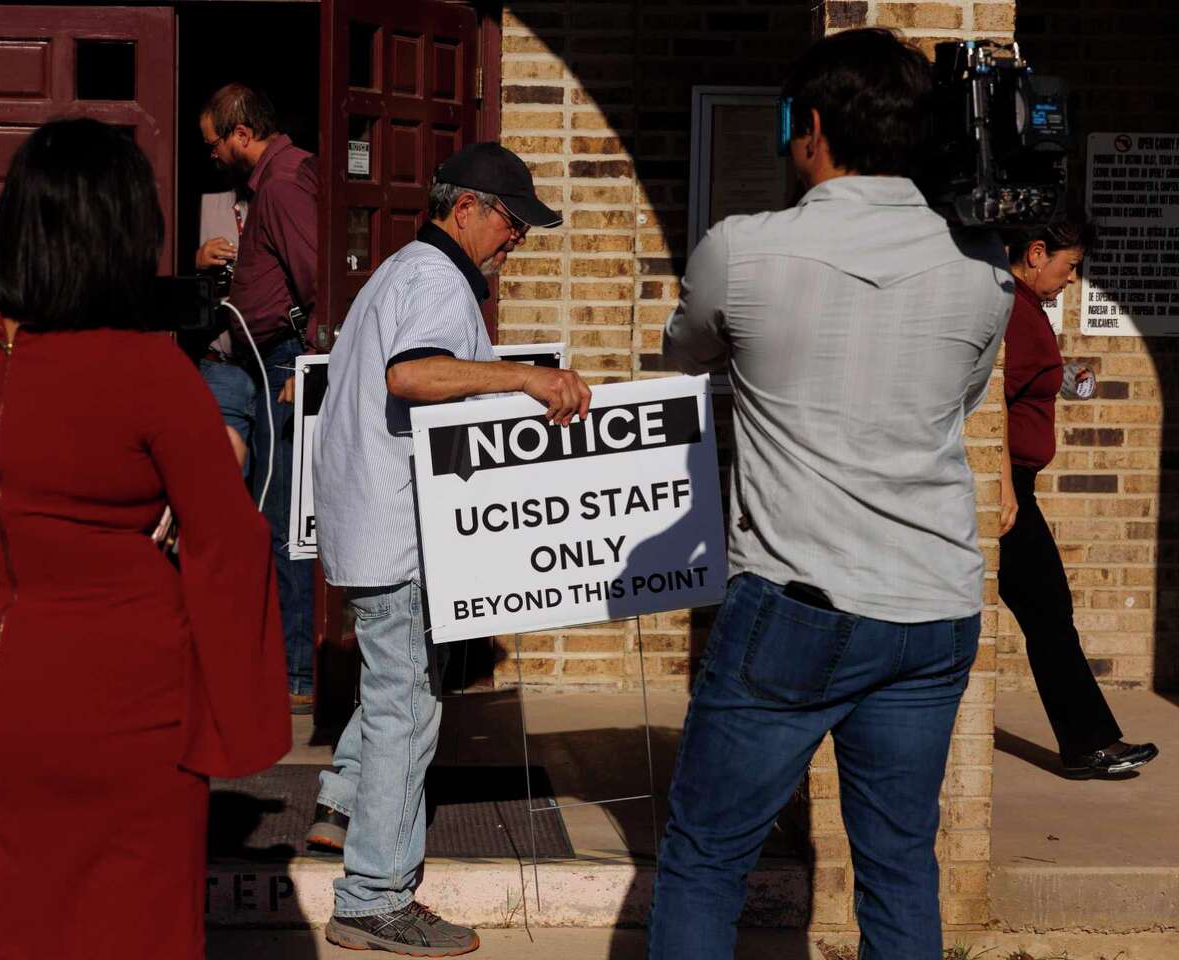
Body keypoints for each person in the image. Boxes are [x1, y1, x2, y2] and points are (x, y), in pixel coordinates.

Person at [651, 29, 1016, 959]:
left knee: (706, 857)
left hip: (797, 604)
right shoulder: (985, 268)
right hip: (933, 604)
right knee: (899, 863)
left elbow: (683, 351)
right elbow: (964, 398)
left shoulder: (742, 249)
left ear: (810, 127)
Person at [0, 118, 290, 959]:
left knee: (22, 925)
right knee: (140, 928)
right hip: (122, 692)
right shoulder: (147, 370)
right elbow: (229, 542)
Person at [309, 141, 589, 957]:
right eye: (512, 222)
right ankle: (374, 899)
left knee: (396, 692)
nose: (517, 239)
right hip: (398, 537)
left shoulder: (403, 271)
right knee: (407, 712)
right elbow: (413, 376)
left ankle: (342, 803)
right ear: (465, 208)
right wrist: (528, 379)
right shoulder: (436, 278)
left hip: (378, 527)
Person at [999, 220, 1158, 778]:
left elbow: (1021, 382)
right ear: (1036, 253)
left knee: (1046, 612)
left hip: (1012, 487)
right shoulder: (1012, 310)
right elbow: (989, 403)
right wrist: (1002, 487)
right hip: (1006, 492)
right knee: (1048, 611)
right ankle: (1090, 744)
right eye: (1069, 266)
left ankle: (1089, 742)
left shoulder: (1022, 307)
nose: (1071, 279)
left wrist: (1063, 374)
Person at [196, 83, 319, 713]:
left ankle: (296, 673)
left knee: (282, 514)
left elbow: (316, 276)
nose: (212, 154)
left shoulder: (284, 182)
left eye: (214, 142)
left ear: (241, 134)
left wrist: (313, 362)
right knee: (266, 510)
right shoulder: (271, 181)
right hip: (260, 358)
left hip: (284, 360)